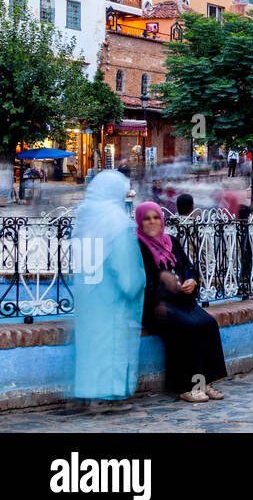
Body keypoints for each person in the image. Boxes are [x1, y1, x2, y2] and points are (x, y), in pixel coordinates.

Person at [136, 202, 228, 402]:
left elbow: (189, 267)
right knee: (187, 328)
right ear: (140, 221)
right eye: (146, 218)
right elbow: (140, 279)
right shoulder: (138, 246)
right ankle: (185, 386)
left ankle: (205, 382)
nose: (152, 222)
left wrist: (192, 280)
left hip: (180, 300)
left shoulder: (171, 241)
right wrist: (161, 279)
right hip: (155, 305)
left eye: (155, 217)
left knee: (208, 324)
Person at [71, 171, 145, 407]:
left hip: (87, 294)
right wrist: (136, 283)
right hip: (111, 298)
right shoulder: (117, 221)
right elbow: (126, 269)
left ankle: (87, 389)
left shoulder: (85, 216)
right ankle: (107, 393)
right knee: (110, 344)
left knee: (90, 345)